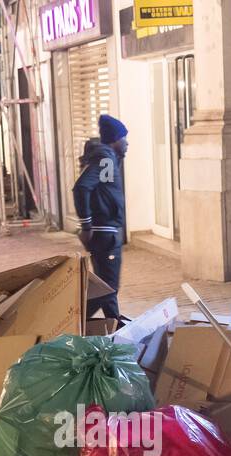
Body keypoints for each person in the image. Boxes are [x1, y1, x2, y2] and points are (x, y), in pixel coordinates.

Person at [73, 114, 128, 320]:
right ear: (115, 140)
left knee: (106, 284)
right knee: (109, 287)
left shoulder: (108, 159)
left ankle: (114, 323)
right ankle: (74, 319)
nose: (127, 142)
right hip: (104, 233)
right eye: (124, 137)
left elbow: (101, 188)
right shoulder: (105, 157)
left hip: (105, 232)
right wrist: (86, 225)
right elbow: (82, 187)